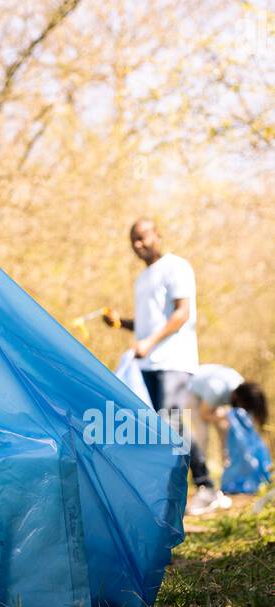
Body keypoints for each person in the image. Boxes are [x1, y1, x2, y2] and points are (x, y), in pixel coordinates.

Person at [102, 217, 213, 508]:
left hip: (175, 359)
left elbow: (181, 314)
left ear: (158, 235)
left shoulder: (176, 267)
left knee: (173, 421)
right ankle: (180, 494)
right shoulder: (142, 279)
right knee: (169, 428)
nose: (138, 245)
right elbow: (147, 325)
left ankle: (205, 487)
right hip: (148, 364)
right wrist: (119, 323)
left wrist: (149, 343)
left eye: (143, 237)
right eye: (133, 241)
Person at [183, 366, 269, 513]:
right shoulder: (217, 390)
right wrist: (225, 415)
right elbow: (205, 414)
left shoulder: (242, 387)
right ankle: (203, 484)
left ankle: (225, 468)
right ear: (238, 400)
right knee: (202, 436)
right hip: (191, 392)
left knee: (225, 428)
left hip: (212, 397)